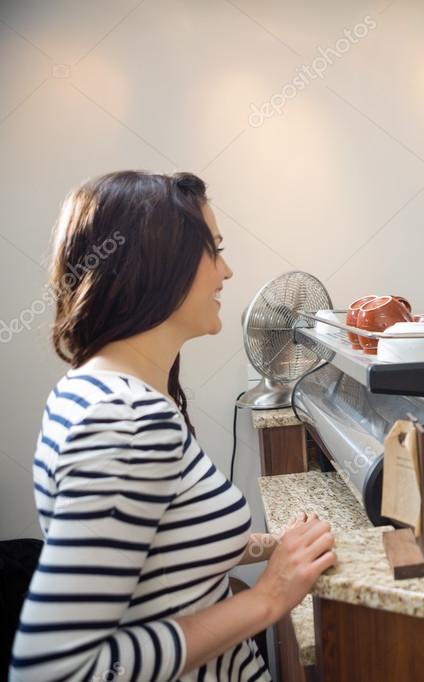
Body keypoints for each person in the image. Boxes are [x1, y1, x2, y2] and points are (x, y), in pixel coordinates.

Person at [10, 172, 336, 681]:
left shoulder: (97, 388)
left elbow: (154, 549)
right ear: (155, 262)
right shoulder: (126, 421)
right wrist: (272, 596)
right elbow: (55, 670)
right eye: (214, 250)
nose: (225, 272)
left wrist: (272, 546)